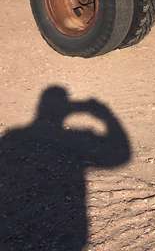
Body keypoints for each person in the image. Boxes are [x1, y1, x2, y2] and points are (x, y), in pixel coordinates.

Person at [0, 86, 131, 250]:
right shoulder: (72, 138)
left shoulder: (13, 136)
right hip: (64, 232)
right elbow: (120, 156)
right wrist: (106, 115)